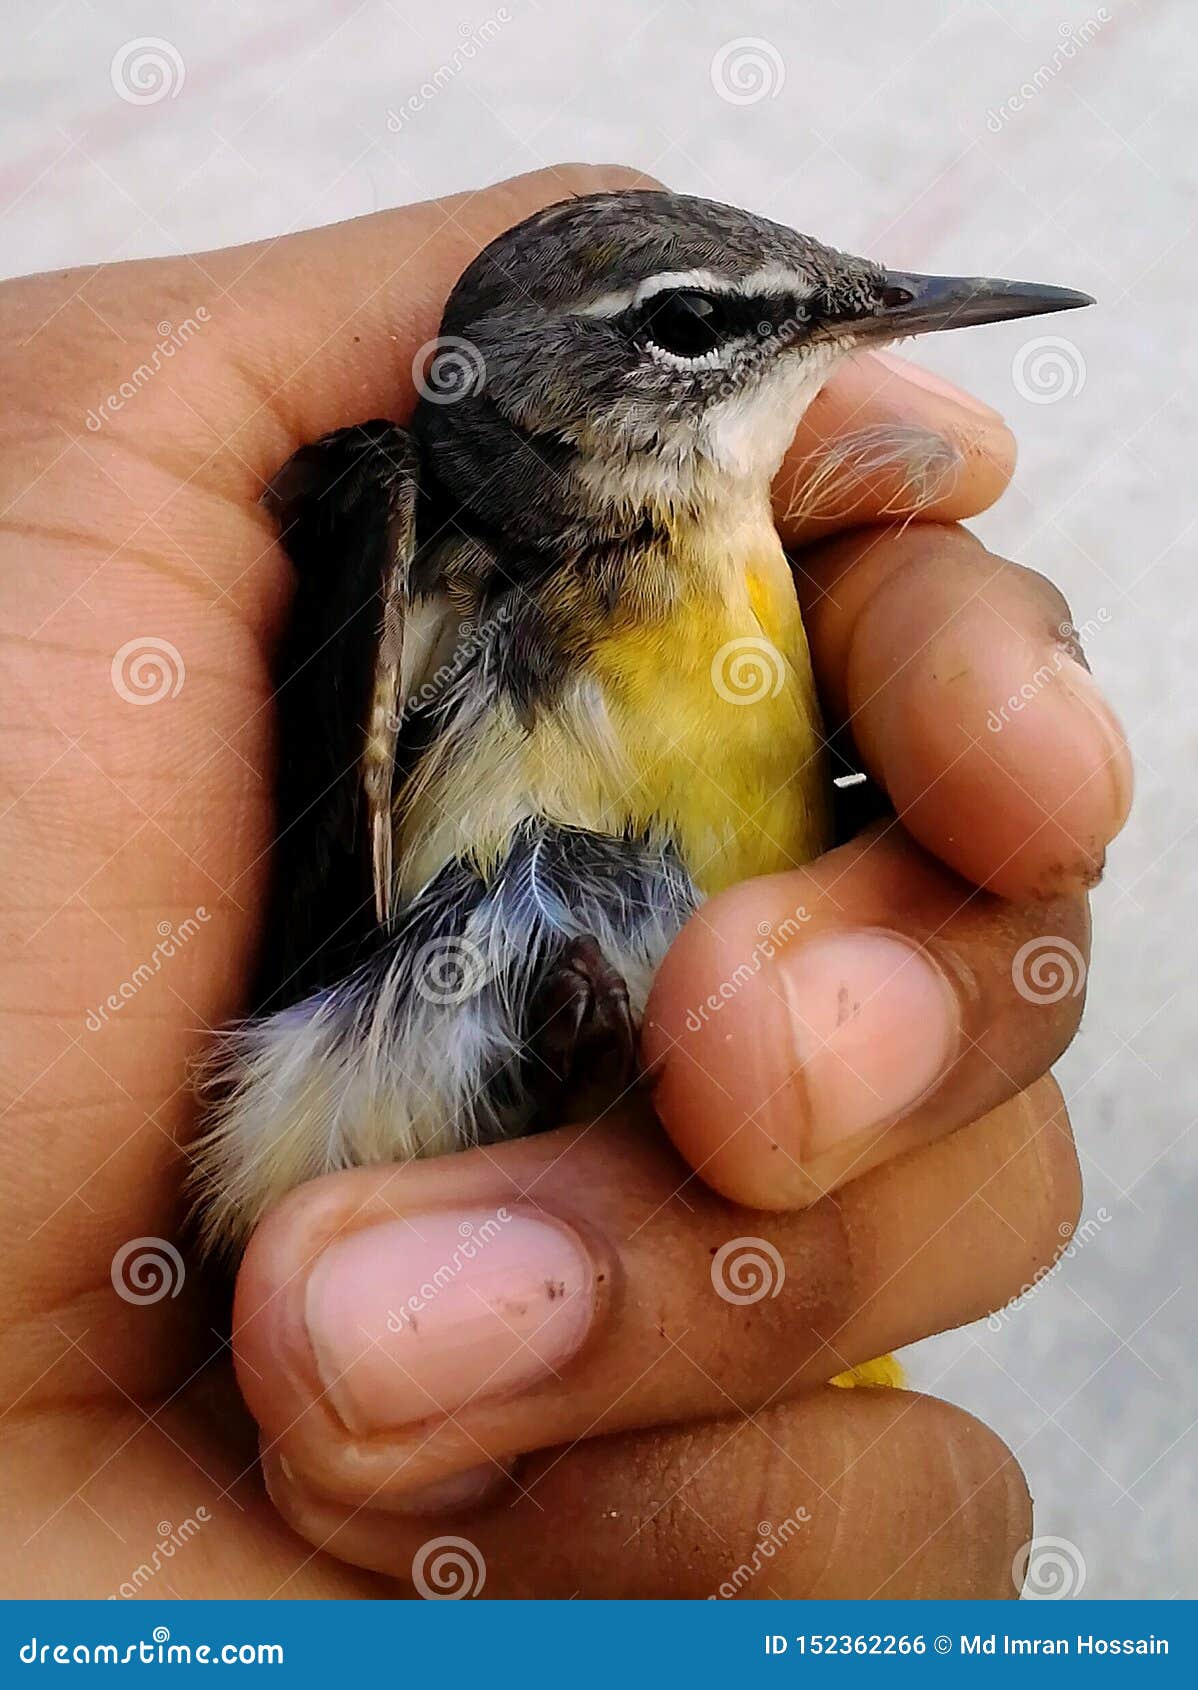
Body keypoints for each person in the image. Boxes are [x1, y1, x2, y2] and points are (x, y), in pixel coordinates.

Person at [0, 165, 1131, 1599]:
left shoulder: (776, 572)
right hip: (351, 1231)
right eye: (690, 325)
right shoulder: (416, 546)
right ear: (534, 387)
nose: (877, 324)